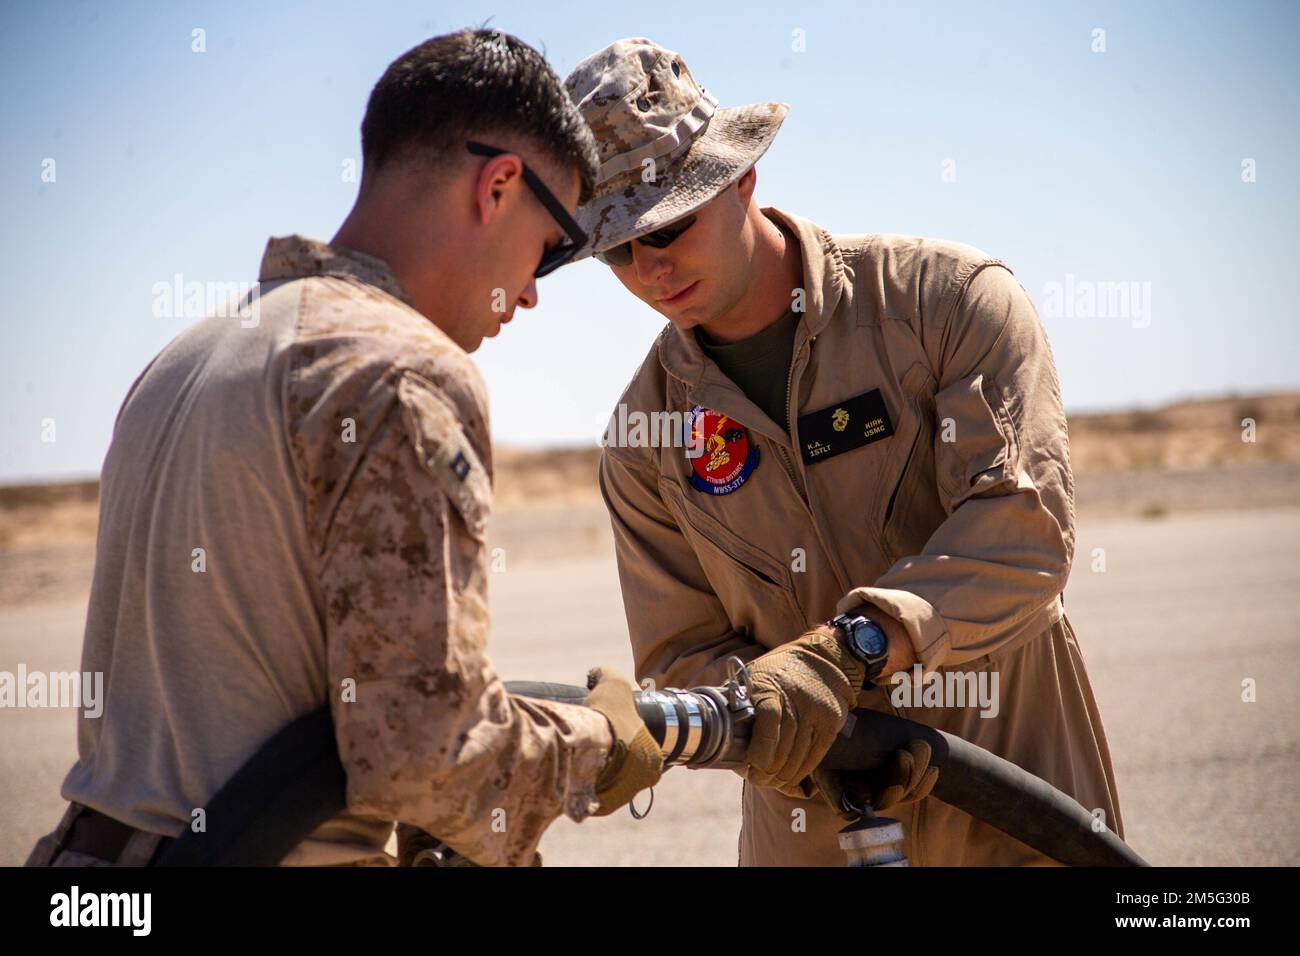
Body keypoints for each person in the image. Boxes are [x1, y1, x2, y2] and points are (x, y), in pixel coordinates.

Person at [25, 29, 661, 869]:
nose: (535, 292)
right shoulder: (398, 370)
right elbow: (427, 757)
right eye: (550, 247)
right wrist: (602, 744)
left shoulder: (193, 351)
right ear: (500, 184)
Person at [566, 38, 1124, 866]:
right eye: (618, 247)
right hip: (810, 835)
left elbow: (1024, 534)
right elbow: (681, 655)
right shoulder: (646, 441)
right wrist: (785, 730)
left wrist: (855, 647)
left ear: (742, 176)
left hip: (1021, 818)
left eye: (671, 224)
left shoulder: (946, 306)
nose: (650, 267)